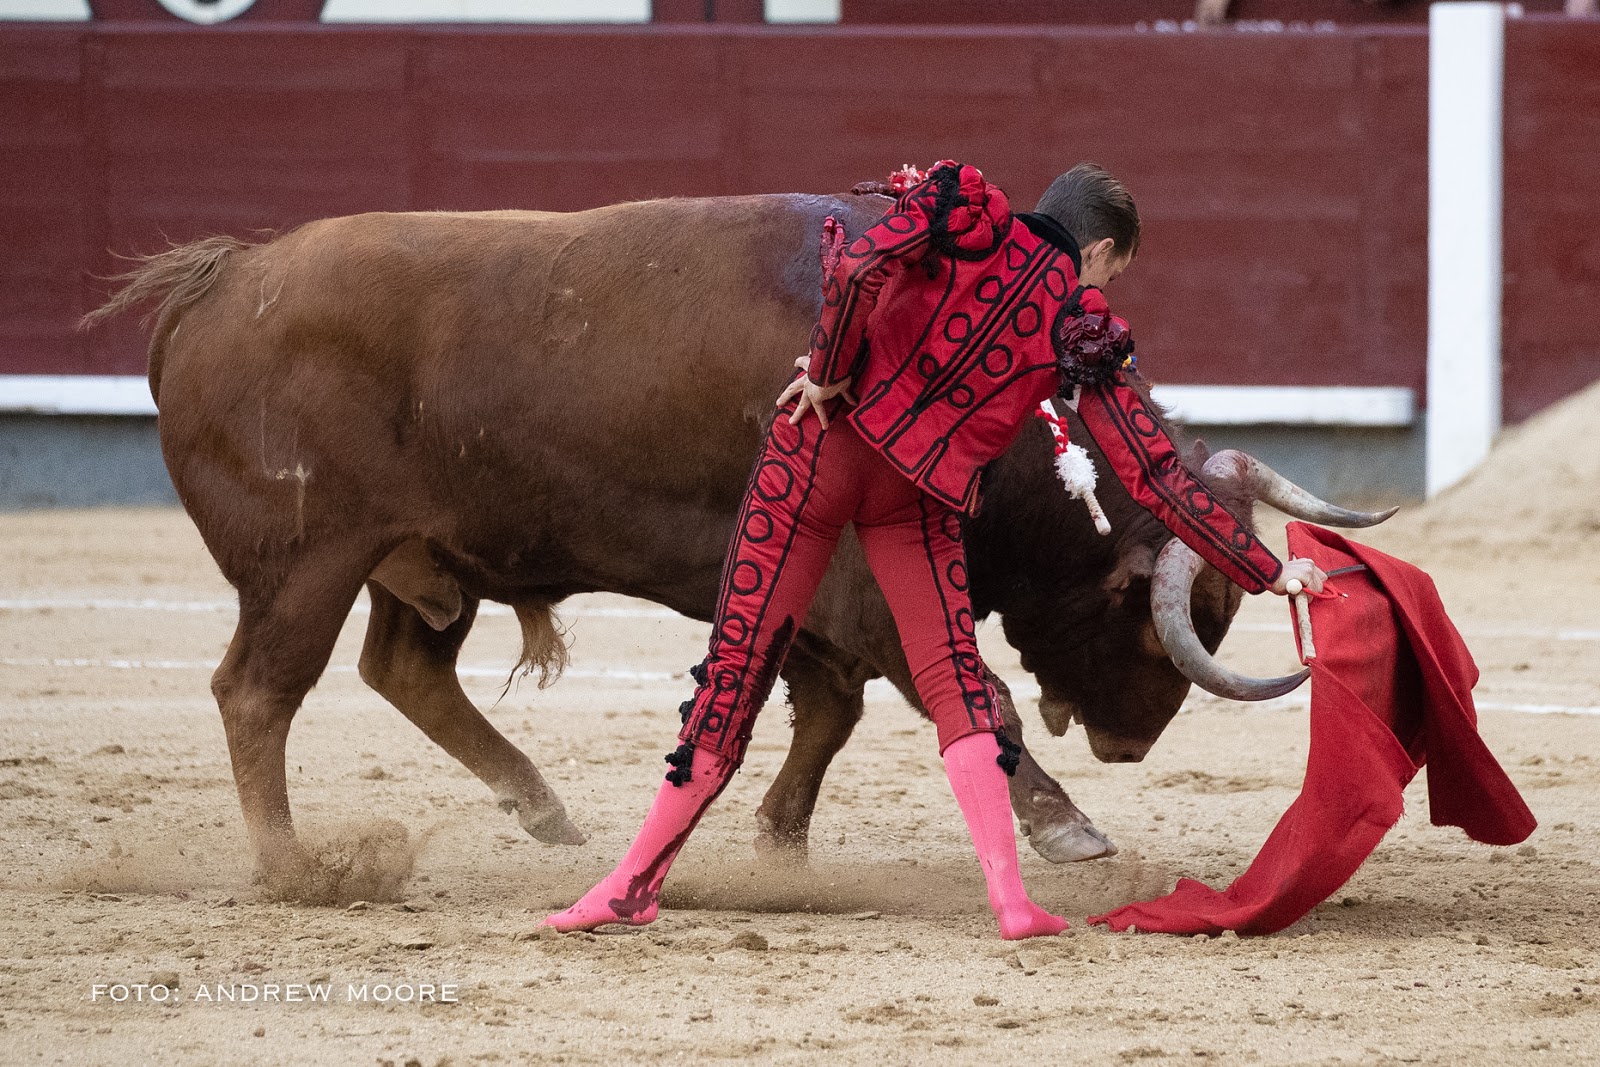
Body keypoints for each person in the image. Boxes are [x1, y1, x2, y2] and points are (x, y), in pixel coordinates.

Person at [546, 160, 1327, 940]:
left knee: (739, 669)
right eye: (1113, 272)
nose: (1107, 288)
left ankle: (632, 885)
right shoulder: (1080, 322)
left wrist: (826, 372)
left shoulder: (967, 214)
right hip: (917, 493)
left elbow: (854, 265)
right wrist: (1269, 572)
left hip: (815, 459)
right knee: (955, 680)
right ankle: (1012, 903)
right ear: (1099, 250)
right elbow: (1155, 473)